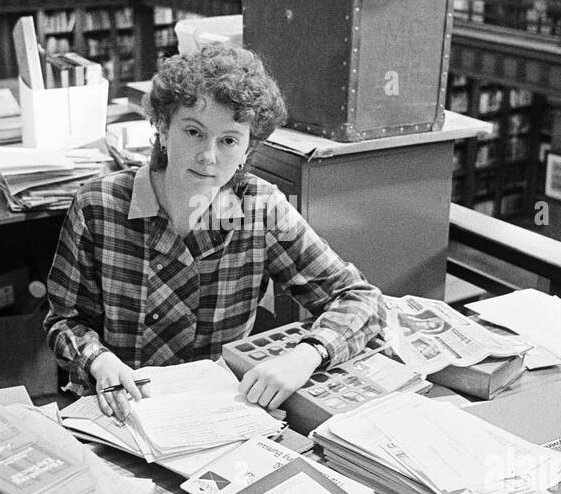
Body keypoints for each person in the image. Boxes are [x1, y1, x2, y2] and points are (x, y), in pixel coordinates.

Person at [44, 44, 385, 420]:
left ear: (247, 149)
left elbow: (358, 298)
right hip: (119, 407)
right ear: (162, 127)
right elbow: (65, 319)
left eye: (228, 140)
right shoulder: (99, 204)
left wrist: (306, 355)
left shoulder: (261, 207)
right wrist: (98, 360)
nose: (209, 156)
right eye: (194, 132)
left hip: (219, 411)